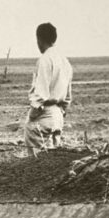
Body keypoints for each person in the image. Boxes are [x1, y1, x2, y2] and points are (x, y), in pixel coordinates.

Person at [24, 22, 73, 157]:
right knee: (53, 162)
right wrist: (62, 111)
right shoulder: (65, 61)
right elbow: (68, 96)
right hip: (58, 116)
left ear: (39, 39)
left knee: (38, 162)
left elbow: (40, 93)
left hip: (43, 115)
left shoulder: (45, 59)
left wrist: (33, 114)